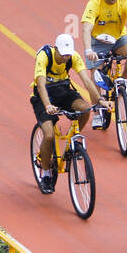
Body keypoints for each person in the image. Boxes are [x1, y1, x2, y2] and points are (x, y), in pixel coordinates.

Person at [30, 34, 102, 194]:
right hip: (43, 96)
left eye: (68, 54)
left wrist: (99, 100)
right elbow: (40, 84)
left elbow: (86, 80)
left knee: (84, 110)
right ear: (56, 49)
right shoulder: (44, 56)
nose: (65, 57)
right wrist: (48, 105)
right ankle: (47, 174)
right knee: (48, 135)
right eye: (63, 54)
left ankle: (71, 145)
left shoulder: (73, 57)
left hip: (63, 90)